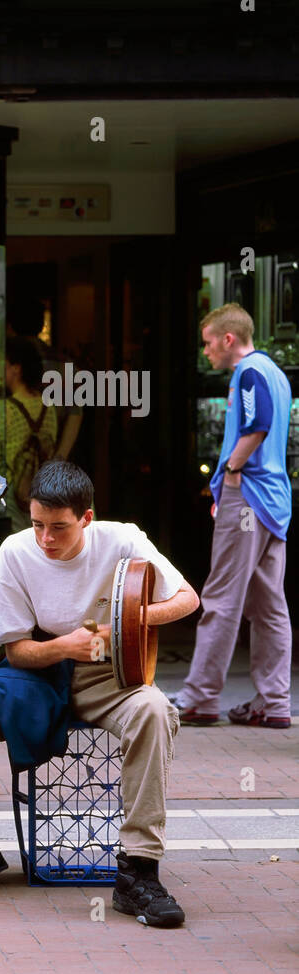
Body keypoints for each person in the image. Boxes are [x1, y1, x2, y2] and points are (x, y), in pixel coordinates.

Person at [0, 461, 200, 928]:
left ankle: (139, 870)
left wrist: (126, 623)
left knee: (155, 709)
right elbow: (17, 650)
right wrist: (63, 646)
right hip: (40, 673)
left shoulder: (123, 538)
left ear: (86, 519)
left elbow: (186, 599)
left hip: (110, 674)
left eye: (59, 527)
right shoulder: (15, 549)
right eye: (37, 525)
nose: (46, 539)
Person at [174, 303, 292, 729]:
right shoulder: (276, 373)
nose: (205, 352)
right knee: (270, 605)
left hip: (249, 498)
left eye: (208, 343)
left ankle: (199, 698)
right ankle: (274, 702)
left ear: (228, 339)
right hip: (275, 504)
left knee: (221, 598)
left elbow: (255, 425)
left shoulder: (248, 372)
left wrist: (232, 474)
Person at [0, 336, 58, 531]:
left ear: (16, 368)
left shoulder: (2, 408)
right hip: (43, 486)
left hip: (12, 488)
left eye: (1, 363)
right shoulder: (48, 405)